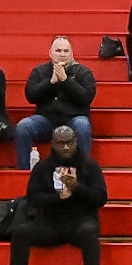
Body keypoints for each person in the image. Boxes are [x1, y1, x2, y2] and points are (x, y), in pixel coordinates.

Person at [0, 125, 107, 265]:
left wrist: (77, 188)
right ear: (53, 144)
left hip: (80, 221)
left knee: (90, 234)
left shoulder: (90, 166)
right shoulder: (42, 167)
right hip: (50, 223)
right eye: (61, 143)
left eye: (69, 143)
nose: (65, 147)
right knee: (20, 233)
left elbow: (100, 198)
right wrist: (58, 197)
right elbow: (33, 199)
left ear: (76, 142)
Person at [15, 37, 95, 170]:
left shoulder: (83, 72)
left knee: (83, 125)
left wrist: (65, 80)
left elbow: (86, 98)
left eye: (66, 51)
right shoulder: (39, 71)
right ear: (50, 53)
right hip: (46, 120)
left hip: (73, 120)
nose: (62, 54)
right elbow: (31, 96)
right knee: (23, 126)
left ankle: (82, 172)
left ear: (71, 53)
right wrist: (51, 82)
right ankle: (24, 172)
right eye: (58, 50)